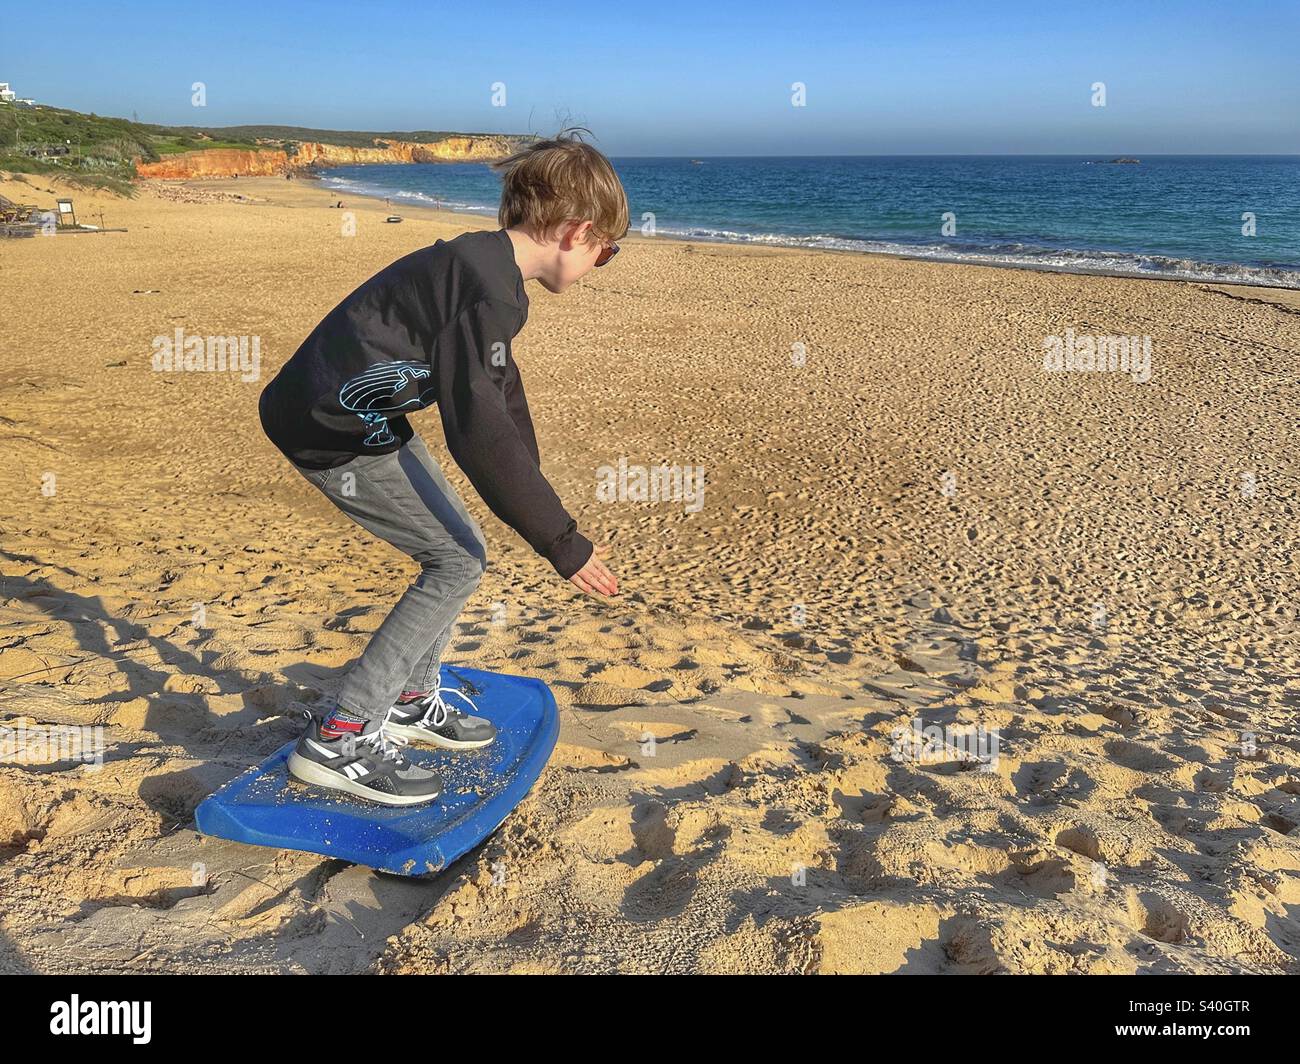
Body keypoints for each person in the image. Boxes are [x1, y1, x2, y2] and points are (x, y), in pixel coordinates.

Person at [258, 130, 625, 806]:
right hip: (326, 426)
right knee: (455, 562)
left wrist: (537, 496)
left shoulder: (488, 272)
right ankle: (340, 737)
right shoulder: (486, 287)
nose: (605, 261)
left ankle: (407, 699)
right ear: (579, 232)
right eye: (610, 251)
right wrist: (560, 543)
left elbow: (501, 391)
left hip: (363, 416)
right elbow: (477, 428)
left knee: (463, 551)